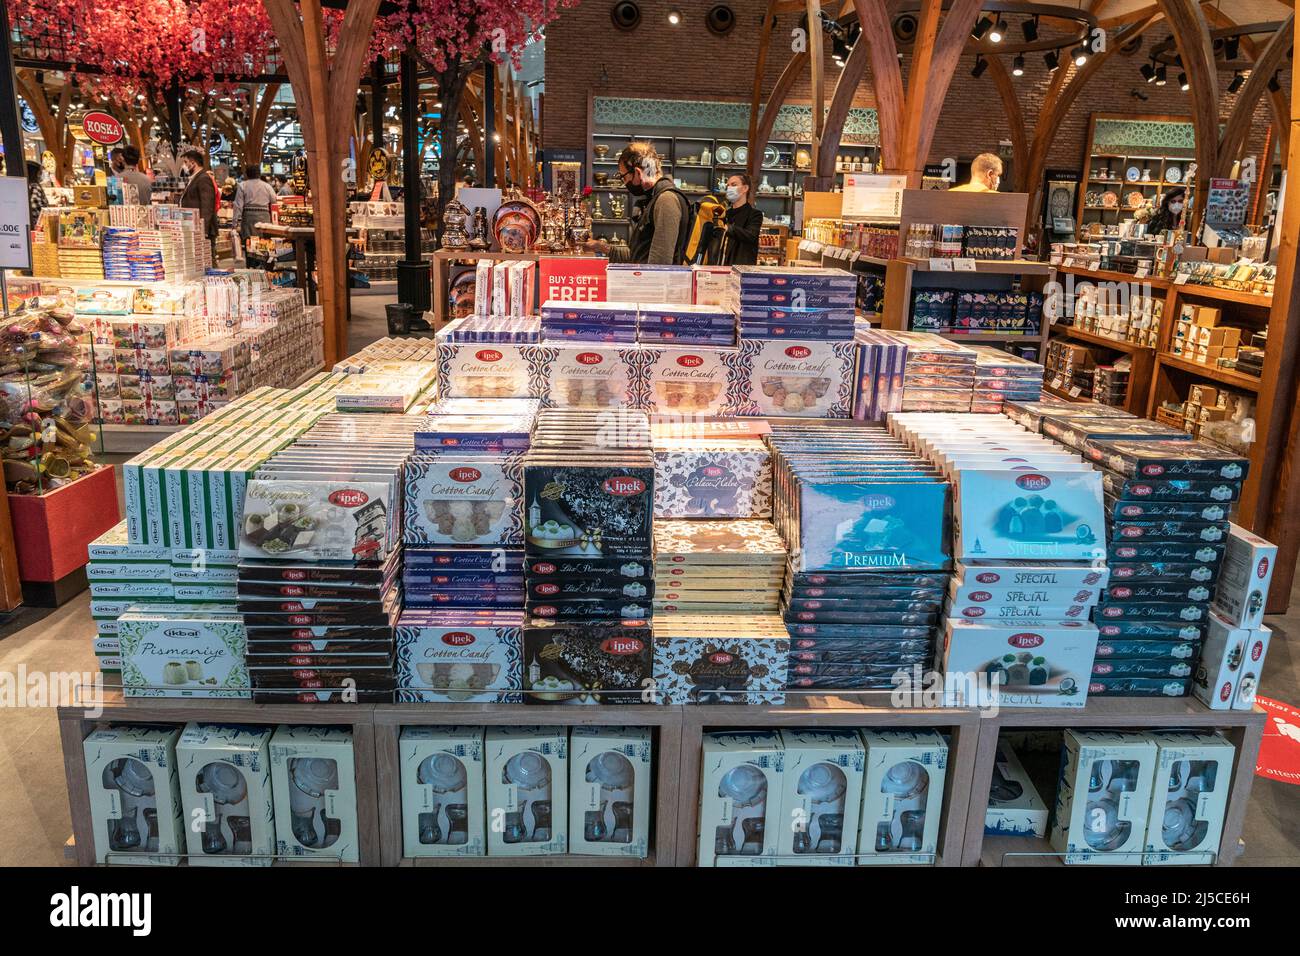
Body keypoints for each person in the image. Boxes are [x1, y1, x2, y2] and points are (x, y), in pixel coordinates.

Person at [585, 142, 690, 264]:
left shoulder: (666, 200)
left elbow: (660, 264)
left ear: (638, 173)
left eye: (624, 177)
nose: (624, 183)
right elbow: (639, 255)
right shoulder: (655, 198)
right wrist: (601, 246)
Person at [714, 173, 763, 265]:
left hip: (740, 268)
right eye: (728, 185)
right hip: (720, 265)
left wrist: (728, 228)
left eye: (734, 185)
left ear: (745, 188)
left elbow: (751, 235)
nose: (729, 188)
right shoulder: (725, 213)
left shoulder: (754, 214)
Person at [179, 147, 218, 252]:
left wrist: (202, 229)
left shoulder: (203, 178)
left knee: (206, 261)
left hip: (202, 230)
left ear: (193, 163)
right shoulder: (195, 178)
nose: (184, 165)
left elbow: (207, 205)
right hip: (193, 228)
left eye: (185, 162)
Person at [232, 165, 279, 245]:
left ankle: (251, 257)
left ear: (247, 174)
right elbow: (274, 201)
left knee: (250, 242)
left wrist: (235, 223)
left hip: (249, 217)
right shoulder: (267, 186)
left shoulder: (242, 185)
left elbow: (238, 205)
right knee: (264, 242)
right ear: (259, 174)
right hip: (264, 216)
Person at [26, 160, 46, 229]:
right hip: (36, 227)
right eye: (39, 173)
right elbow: (34, 207)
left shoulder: (27, 186)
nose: (40, 175)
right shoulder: (35, 187)